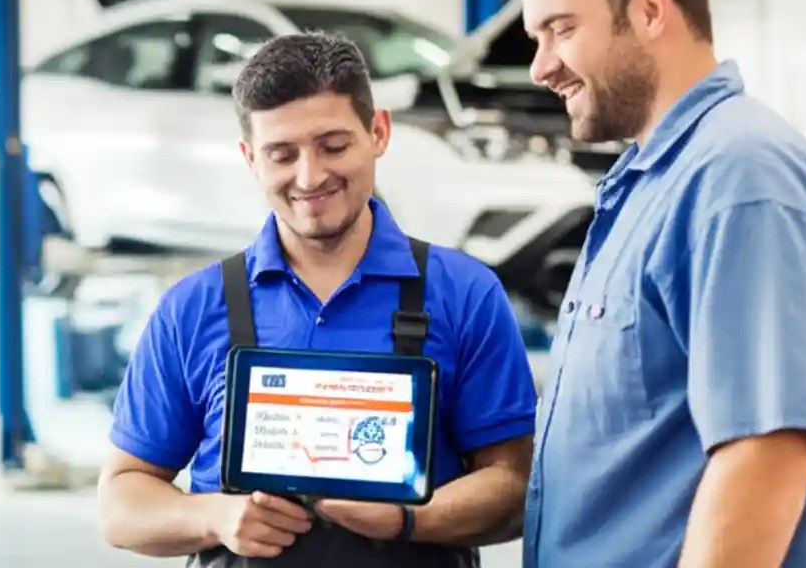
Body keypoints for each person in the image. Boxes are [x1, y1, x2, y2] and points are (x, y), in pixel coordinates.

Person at [509, 0, 806, 567]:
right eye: (537, 38)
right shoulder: (650, 182)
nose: (541, 66)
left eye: (560, 29)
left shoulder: (739, 180)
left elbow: (765, 456)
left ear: (651, 9)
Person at [96, 32, 537, 567]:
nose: (310, 177)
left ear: (378, 132)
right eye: (282, 154)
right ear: (250, 158)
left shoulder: (465, 293)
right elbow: (122, 501)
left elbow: (513, 487)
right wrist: (214, 517)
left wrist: (407, 520)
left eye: (333, 146)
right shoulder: (192, 308)